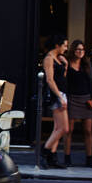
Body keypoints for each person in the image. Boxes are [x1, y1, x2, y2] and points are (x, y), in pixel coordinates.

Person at [62, 40, 92, 166]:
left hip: (86, 99)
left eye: (83, 50)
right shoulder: (67, 64)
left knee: (88, 131)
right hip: (72, 98)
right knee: (69, 130)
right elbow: (64, 82)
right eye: (78, 49)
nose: (80, 52)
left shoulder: (86, 64)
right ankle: (67, 157)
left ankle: (89, 158)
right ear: (73, 50)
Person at [40, 35, 69, 168]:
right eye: (64, 45)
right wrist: (59, 97)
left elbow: (62, 77)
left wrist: (66, 64)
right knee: (64, 128)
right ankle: (44, 151)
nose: (66, 48)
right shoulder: (49, 59)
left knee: (57, 128)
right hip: (56, 95)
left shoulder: (59, 59)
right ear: (57, 45)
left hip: (62, 93)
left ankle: (52, 156)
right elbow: (50, 80)